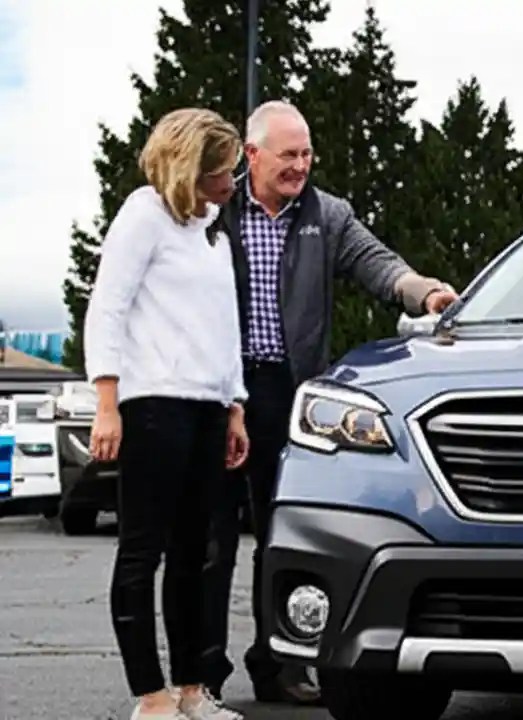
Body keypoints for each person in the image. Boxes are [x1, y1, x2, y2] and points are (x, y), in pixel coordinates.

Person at [202, 100, 458, 704]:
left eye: (307, 153)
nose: (300, 166)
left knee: (282, 537)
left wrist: (427, 295)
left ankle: (280, 665)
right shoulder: (214, 207)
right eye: (288, 154)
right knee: (210, 543)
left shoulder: (327, 215)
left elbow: (381, 266)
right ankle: (202, 676)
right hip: (217, 392)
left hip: (291, 396)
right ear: (251, 154)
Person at [84, 107, 250, 720]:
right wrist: (107, 400)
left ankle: (190, 690)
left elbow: (225, 327)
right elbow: (107, 308)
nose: (231, 184)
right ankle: (149, 697)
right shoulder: (142, 216)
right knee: (142, 553)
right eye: (222, 173)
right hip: (153, 405)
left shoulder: (213, 232)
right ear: (188, 169)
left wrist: (235, 407)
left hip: (208, 407)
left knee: (194, 556)